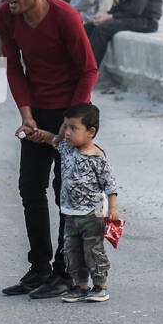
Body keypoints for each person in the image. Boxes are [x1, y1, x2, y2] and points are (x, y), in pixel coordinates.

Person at [0, 0, 99, 299]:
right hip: (37, 113)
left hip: (70, 112)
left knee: (64, 193)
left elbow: (89, 69)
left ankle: (65, 271)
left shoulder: (65, 16)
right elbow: (13, 67)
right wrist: (26, 115)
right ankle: (39, 268)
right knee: (30, 189)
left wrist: (71, 126)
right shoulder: (5, 16)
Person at [22, 102, 119, 303]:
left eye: (73, 128)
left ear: (91, 132)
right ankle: (80, 287)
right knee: (72, 253)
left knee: (92, 252)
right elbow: (50, 138)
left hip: (92, 215)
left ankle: (100, 286)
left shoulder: (97, 157)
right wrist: (32, 132)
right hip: (70, 214)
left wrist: (113, 209)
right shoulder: (66, 149)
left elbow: (110, 185)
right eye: (66, 126)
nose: (67, 132)